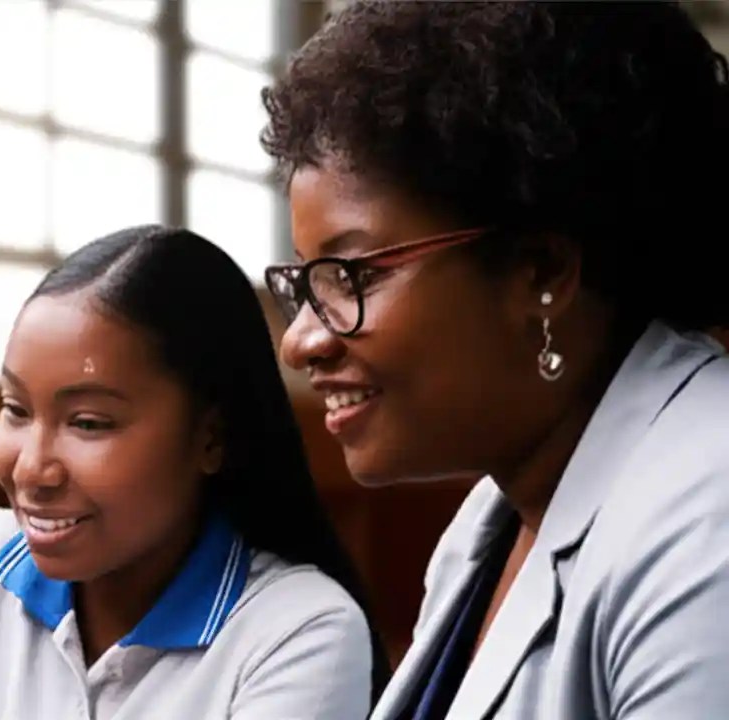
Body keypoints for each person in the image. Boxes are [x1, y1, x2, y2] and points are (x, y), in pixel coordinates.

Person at [260, 2, 729, 718]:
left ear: (540, 270)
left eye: (353, 277)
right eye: (306, 283)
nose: (302, 341)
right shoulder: (494, 519)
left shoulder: (709, 521)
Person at [0, 225, 387, 720]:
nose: (32, 469)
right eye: (16, 409)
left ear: (211, 437)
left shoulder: (300, 628)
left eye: (89, 423)